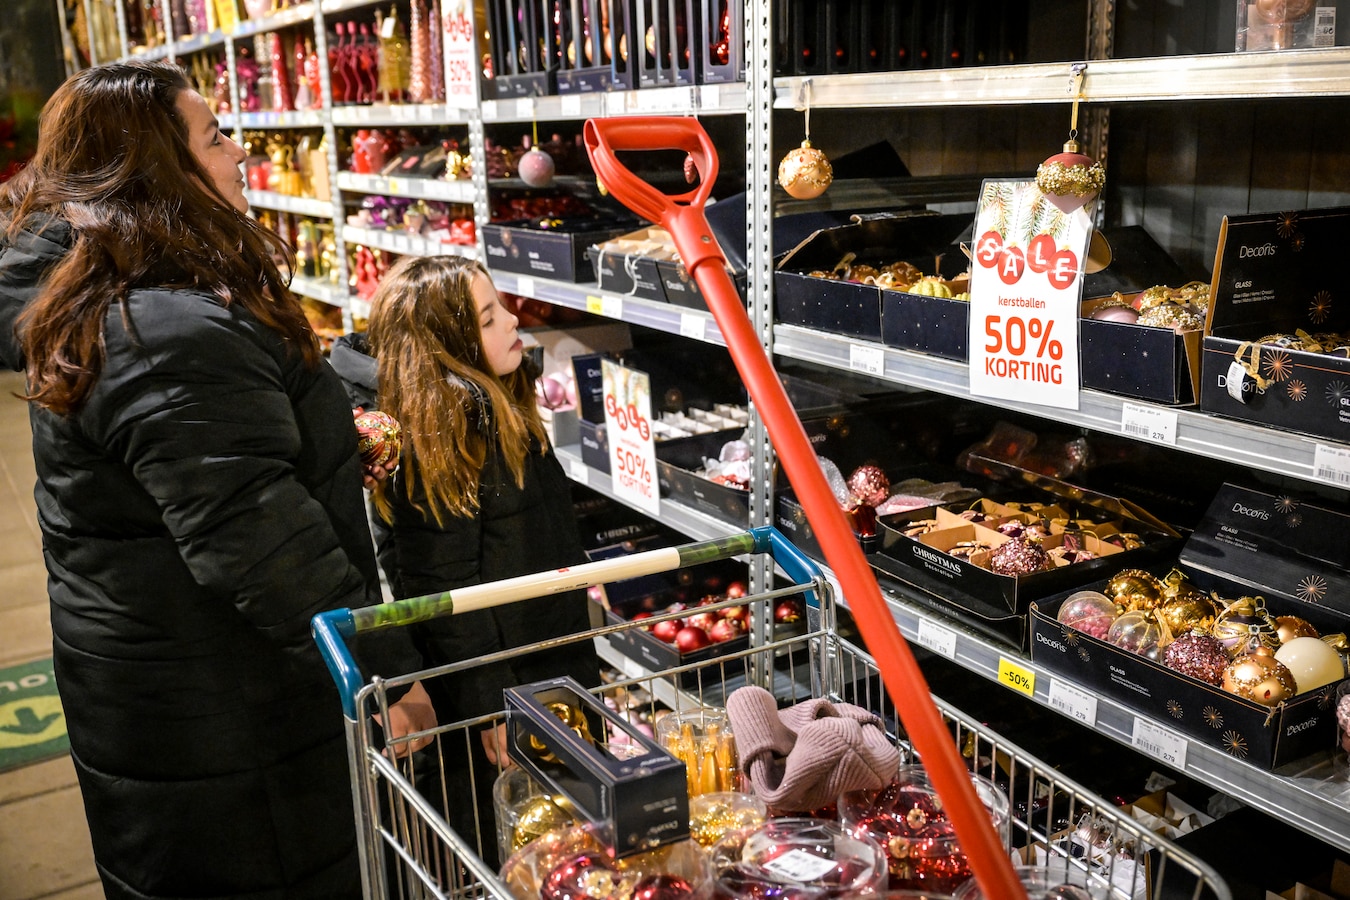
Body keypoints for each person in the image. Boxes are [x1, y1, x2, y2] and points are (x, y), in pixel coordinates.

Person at [0, 60, 436, 900]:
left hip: (170, 694)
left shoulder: (116, 291)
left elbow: (197, 471)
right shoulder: (159, 327)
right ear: (156, 172)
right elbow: (261, 544)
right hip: (228, 731)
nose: (238, 151)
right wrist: (389, 677)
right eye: (214, 136)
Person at [365, 255, 601, 863]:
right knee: (514, 852)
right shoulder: (454, 420)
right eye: (489, 317)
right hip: (508, 697)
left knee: (558, 846)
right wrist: (490, 702)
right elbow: (441, 587)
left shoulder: (494, 405)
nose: (512, 320)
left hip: (542, 669)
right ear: (448, 343)